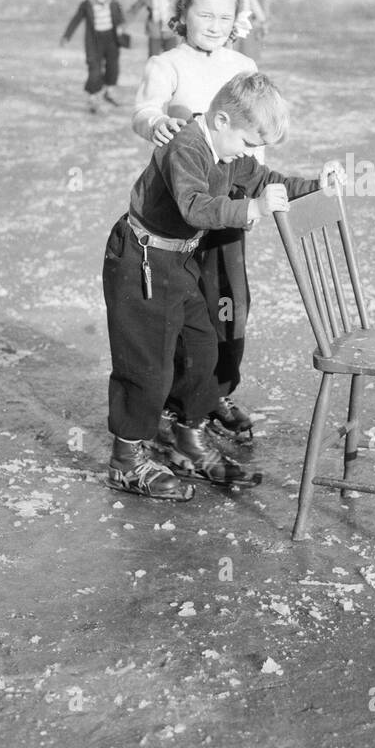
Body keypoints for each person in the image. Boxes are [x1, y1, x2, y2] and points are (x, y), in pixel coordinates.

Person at [103, 72, 345, 499]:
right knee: (147, 365)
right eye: (249, 142)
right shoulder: (187, 147)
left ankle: (187, 439)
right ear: (220, 122)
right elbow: (194, 205)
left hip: (178, 260)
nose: (251, 153)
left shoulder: (231, 153)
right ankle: (125, 461)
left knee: (202, 348)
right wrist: (249, 208)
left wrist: (315, 187)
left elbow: (268, 180)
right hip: (142, 260)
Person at [133, 0, 260, 446]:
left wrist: (256, 188)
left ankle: (218, 391)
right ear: (182, 16)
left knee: (229, 302)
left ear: (236, 20)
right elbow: (145, 109)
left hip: (229, 203)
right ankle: (186, 400)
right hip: (184, 206)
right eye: (204, 14)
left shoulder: (242, 66)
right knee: (187, 309)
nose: (214, 24)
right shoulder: (167, 64)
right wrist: (155, 123)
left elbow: (257, 127)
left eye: (224, 16)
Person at [60, 0, 127, 113]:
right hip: (94, 41)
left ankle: (109, 91)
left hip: (111, 39)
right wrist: (67, 36)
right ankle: (93, 97)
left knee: (113, 67)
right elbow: (76, 20)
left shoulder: (114, 3)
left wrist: (121, 28)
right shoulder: (86, 5)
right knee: (94, 69)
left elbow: (121, 19)